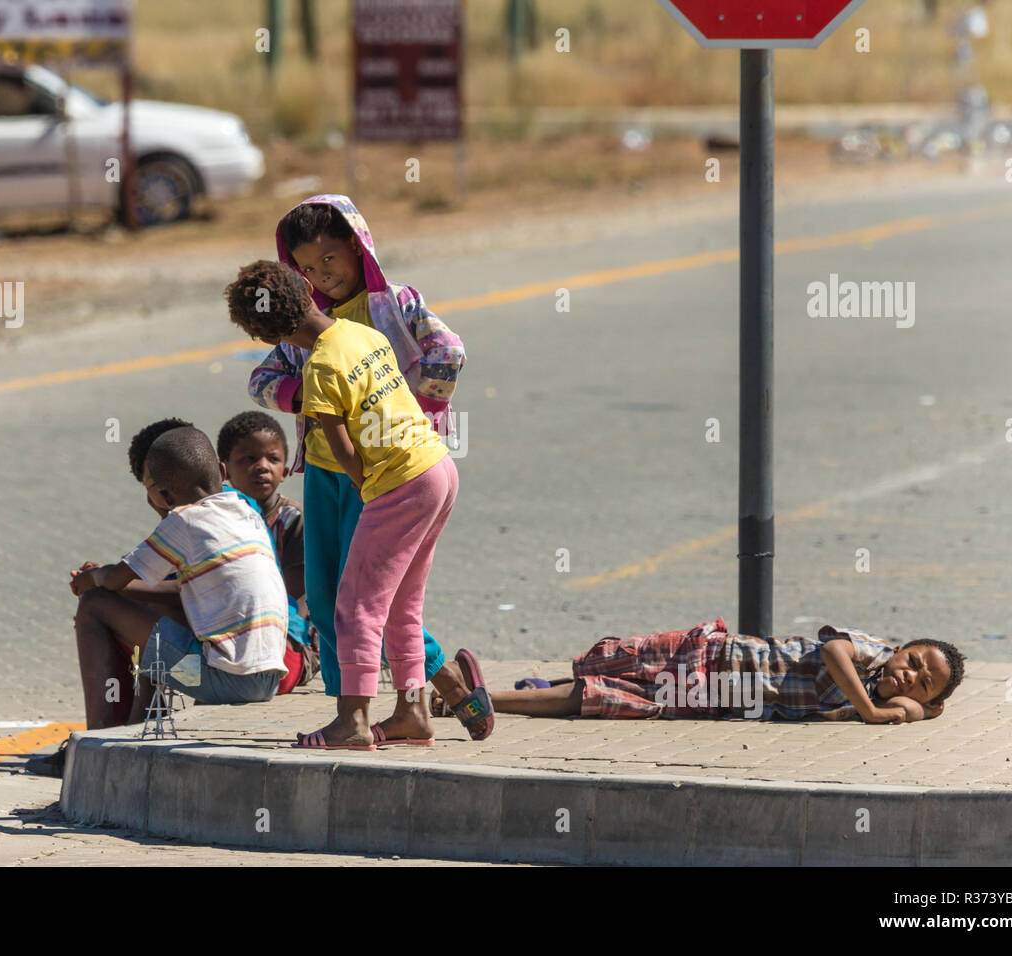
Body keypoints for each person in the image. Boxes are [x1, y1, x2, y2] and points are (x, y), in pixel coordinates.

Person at [246, 194, 492, 742]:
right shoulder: (302, 323)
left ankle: (397, 702)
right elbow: (260, 381)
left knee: (361, 598)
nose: (321, 276)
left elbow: (447, 352)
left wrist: (406, 411)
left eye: (330, 259)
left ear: (359, 247)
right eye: (306, 268)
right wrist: (305, 396)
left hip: (380, 473)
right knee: (334, 591)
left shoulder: (393, 305)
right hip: (327, 475)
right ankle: (409, 697)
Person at [69, 426, 288, 731]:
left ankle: (97, 738)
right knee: (157, 629)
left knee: (95, 604)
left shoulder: (183, 521)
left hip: (220, 681)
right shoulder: (244, 512)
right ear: (222, 471)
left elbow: (115, 579)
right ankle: (137, 725)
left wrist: (90, 579)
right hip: (269, 680)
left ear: (160, 493)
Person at [487, 618, 965, 723]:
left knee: (599, 699)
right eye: (914, 662)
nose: (908, 677)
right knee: (604, 662)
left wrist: (915, 707)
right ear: (900, 648)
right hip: (714, 654)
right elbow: (835, 650)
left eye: (924, 684)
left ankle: (481, 701)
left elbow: (913, 711)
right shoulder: (872, 652)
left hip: (712, 698)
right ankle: (539, 687)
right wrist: (868, 709)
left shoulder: (901, 702)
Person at [216, 410, 319, 693]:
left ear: (286, 469)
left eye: (273, 459)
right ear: (223, 470)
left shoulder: (292, 519)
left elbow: (296, 600)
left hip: (288, 639)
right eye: (248, 459)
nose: (262, 467)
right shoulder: (219, 518)